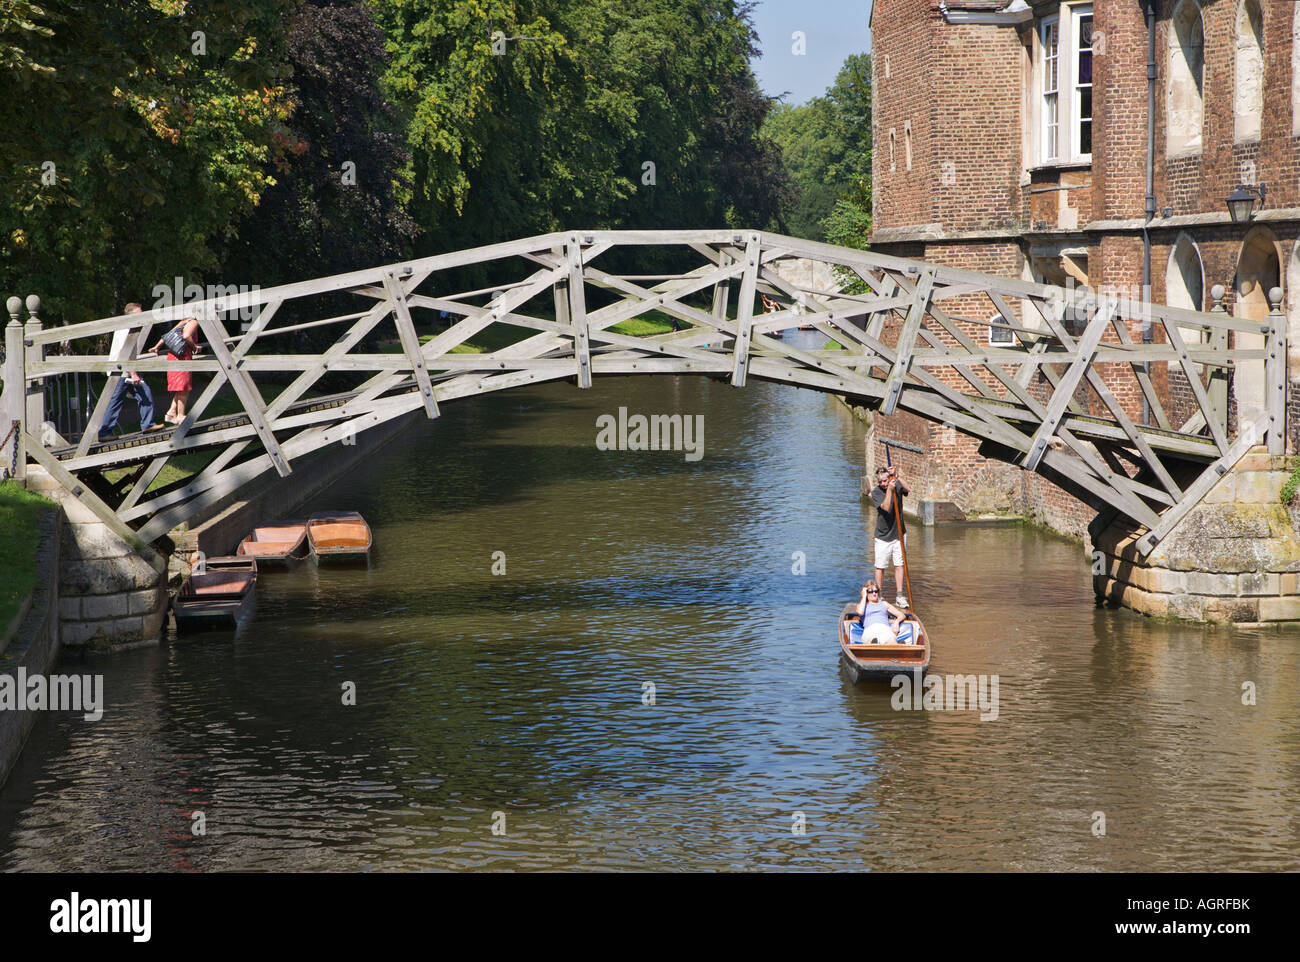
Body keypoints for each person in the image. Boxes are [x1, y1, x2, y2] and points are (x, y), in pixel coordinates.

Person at [98, 303, 160, 440]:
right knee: (116, 402)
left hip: (127, 370)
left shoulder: (132, 328)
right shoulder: (125, 328)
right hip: (120, 372)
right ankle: (104, 433)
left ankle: (148, 425)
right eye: (139, 313)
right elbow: (123, 351)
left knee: (145, 393)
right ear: (131, 315)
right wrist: (133, 373)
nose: (142, 315)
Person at [870, 463, 911, 608]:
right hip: (883, 537)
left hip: (899, 534)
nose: (882, 484)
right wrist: (890, 490)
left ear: (889, 479)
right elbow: (886, 507)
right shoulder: (876, 493)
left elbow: (908, 489)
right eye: (880, 482)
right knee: (880, 566)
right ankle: (879, 596)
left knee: (899, 565)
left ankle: (900, 596)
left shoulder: (896, 484)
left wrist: (897, 476)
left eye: (885, 481)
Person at [151, 317, 202, 424]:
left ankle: (171, 412)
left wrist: (157, 347)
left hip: (173, 355)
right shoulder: (193, 322)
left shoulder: (183, 321)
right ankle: (180, 415)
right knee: (184, 387)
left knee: (181, 387)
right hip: (182, 356)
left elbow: (167, 336)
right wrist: (195, 348)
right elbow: (186, 336)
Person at [849, 580, 915, 645]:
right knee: (872, 639)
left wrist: (896, 622)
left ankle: (899, 648)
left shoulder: (884, 604)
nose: (874, 594)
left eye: (876, 591)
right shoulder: (862, 606)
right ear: (866, 593)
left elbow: (901, 615)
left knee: (891, 640)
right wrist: (863, 596)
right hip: (870, 629)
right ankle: (874, 645)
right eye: (870, 592)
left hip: (884, 629)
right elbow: (860, 612)